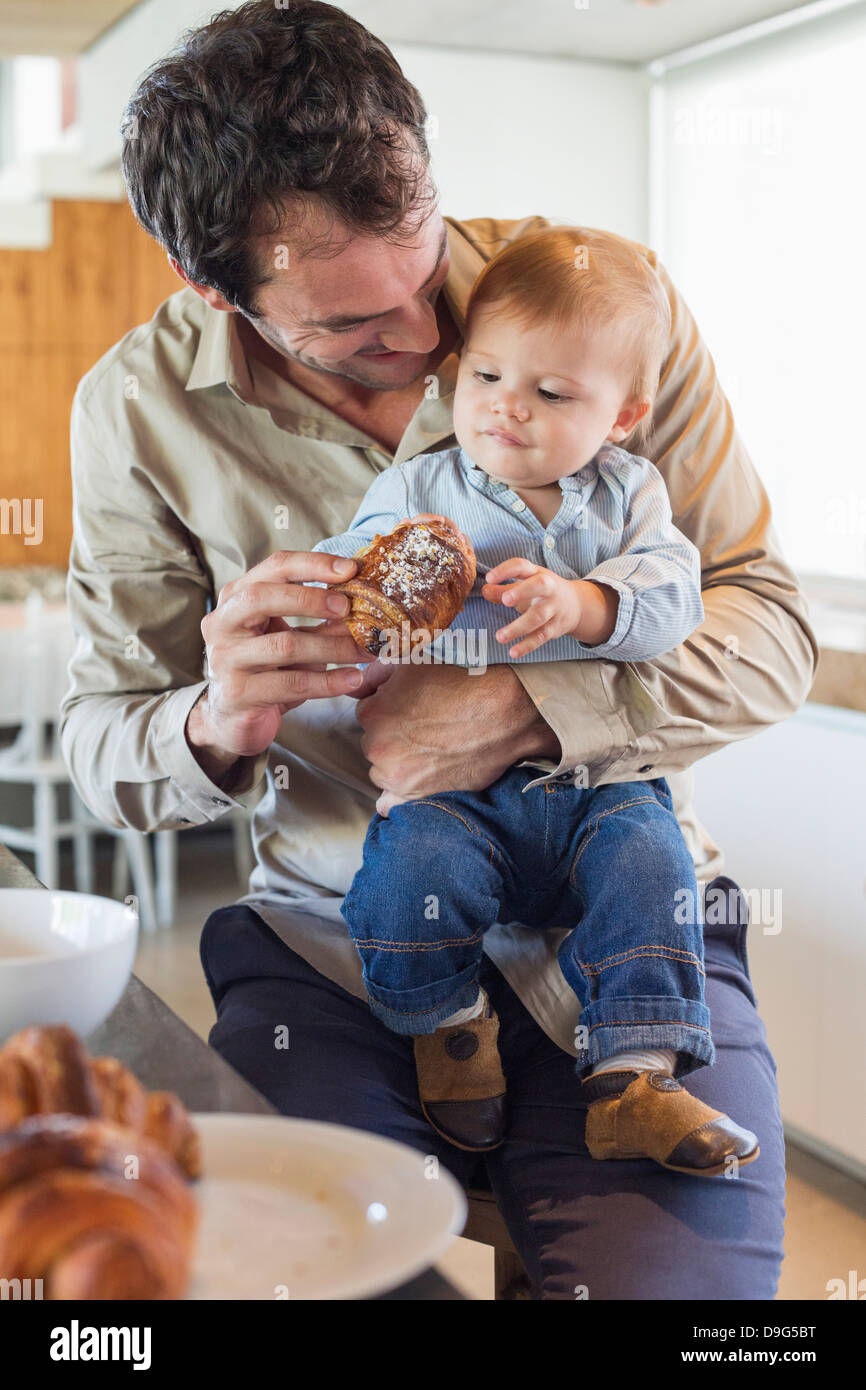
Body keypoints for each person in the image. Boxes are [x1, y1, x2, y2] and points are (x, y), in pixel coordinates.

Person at [60, 0, 816, 1296]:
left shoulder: (604, 309)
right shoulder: (134, 414)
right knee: (282, 1275)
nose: (421, 341)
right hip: (337, 944)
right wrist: (212, 718)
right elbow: (99, 743)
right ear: (210, 287)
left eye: (423, 275)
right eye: (352, 329)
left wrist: (535, 701)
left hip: (624, 909)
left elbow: (770, 625)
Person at [312, 225, 759, 1175]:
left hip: (597, 783)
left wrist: (590, 604)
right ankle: (449, 1024)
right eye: (485, 379)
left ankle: (635, 1077)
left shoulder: (629, 495)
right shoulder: (421, 484)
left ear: (624, 415)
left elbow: (677, 596)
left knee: (654, 868)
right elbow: (364, 580)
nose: (507, 410)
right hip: (456, 796)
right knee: (407, 871)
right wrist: (373, 594)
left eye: (552, 394)